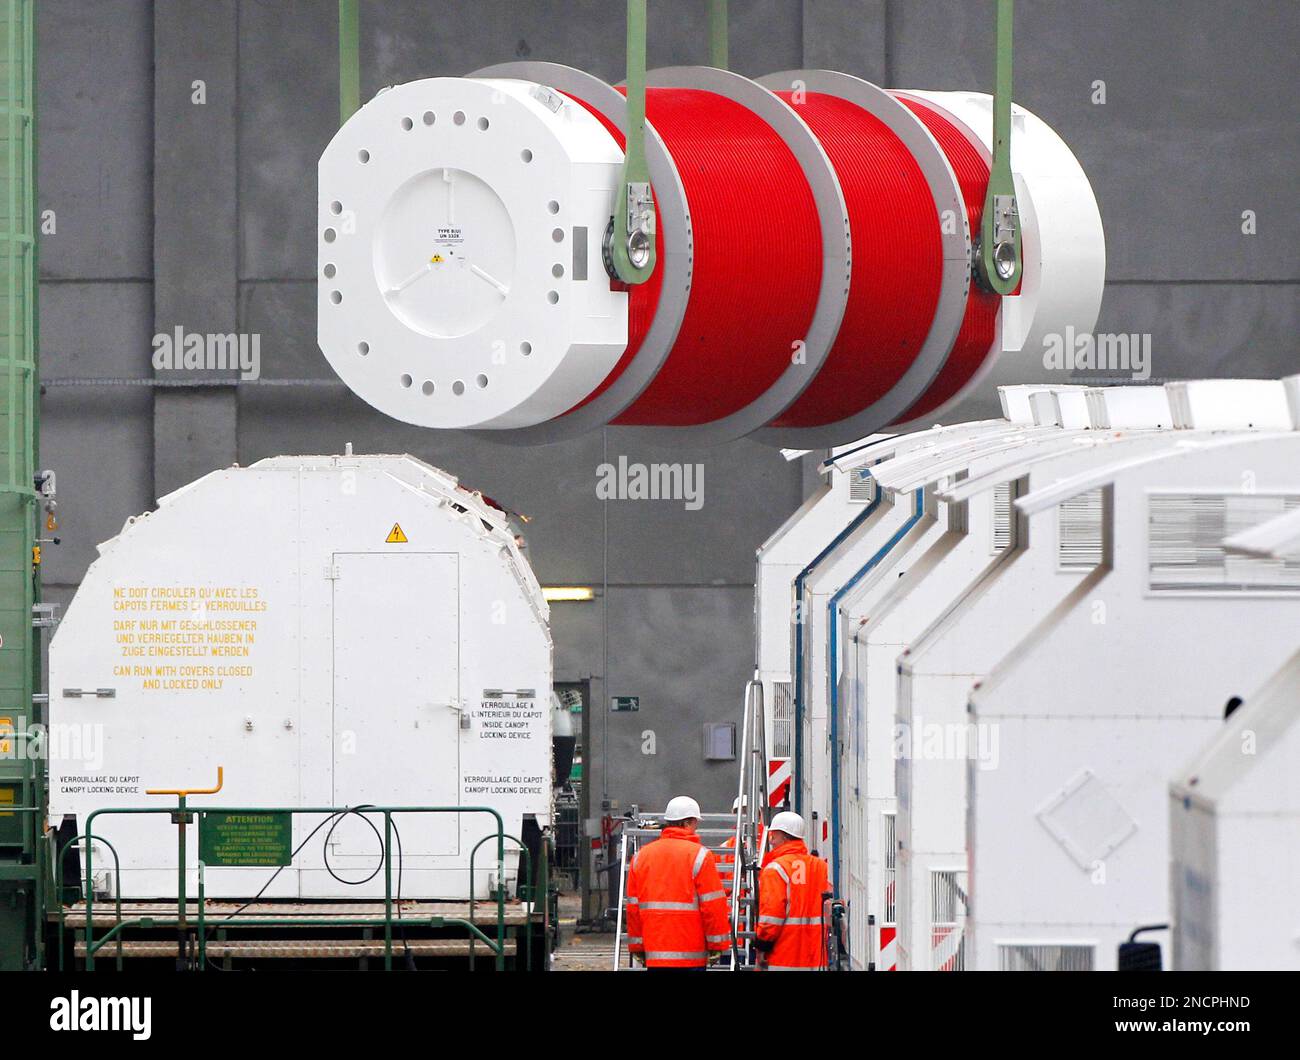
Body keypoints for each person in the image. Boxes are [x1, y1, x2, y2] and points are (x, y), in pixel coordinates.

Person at [625, 795, 732, 969]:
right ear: (688, 823)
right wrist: (717, 945)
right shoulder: (700, 856)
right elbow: (713, 906)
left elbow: (633, 909)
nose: (696, 828)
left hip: (655, 954)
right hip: (692, 955)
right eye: (695, 823)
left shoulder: (641, 857)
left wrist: (637, 946)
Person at [753, 811, 832, 971]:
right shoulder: (820, 867)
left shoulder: (775, 869)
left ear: (784, 837)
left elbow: (771, 917)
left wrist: (762, 947)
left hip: (783, 959)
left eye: (774, 835)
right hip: (816, 960)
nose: (771, 841)